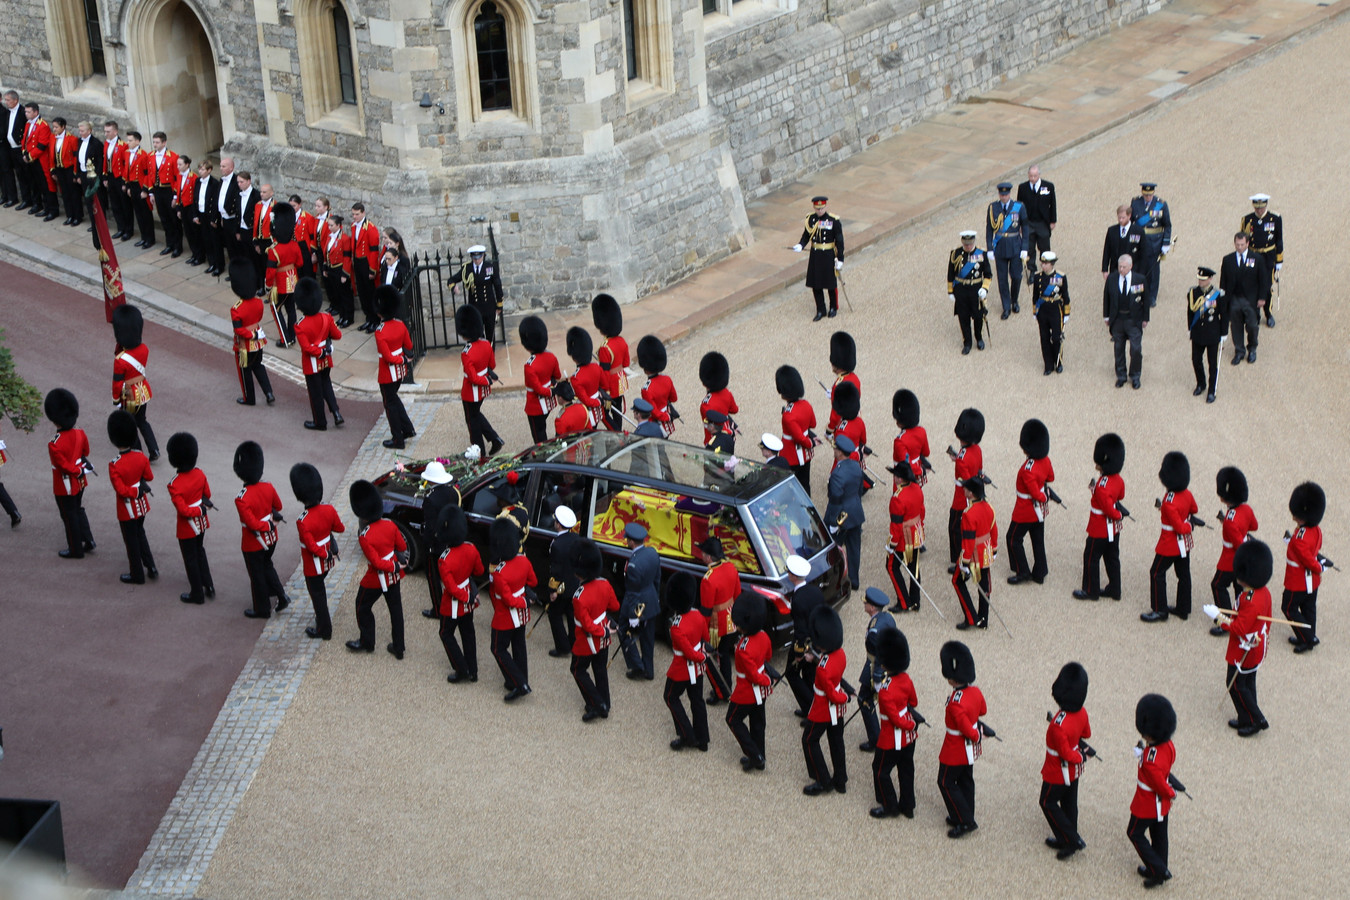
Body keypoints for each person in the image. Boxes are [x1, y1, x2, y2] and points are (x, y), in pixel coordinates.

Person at [1204, 540, 1273, 736]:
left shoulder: (1250, 600)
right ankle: (1246, 718)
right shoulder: (1262, 592)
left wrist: (1218, 619)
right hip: (1255, 646)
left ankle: (1257, 719)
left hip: (1245, 649)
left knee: (1235, 684)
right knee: (1248, 683)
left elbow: (1239, 628)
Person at [346, 479, 407, 658]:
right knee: (396, 611)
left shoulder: (365, 536)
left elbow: (377, 563)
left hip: (377, 578)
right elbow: (402, 546)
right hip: (394, 576)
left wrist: (392, 565)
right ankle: (399, 647)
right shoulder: (390, 524)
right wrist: (395, 564)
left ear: (363, 515)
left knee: (362, 606)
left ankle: (367, 642)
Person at [1042, 662, 1092, 859]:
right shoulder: (1082, 712)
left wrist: (1080, 756)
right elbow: (1086, 733)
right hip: (1074, 771)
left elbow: (1065, 753)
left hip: (1058, 770)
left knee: (1047, 802)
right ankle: (1065, 839)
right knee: (1069, 804)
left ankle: (1072, 838)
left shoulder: (1058, 725)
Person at [1128, 693, 1178, 889]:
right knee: (1159, 835)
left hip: (1148, 802)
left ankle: (1159, 870)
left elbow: (1158, 782)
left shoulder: (1150, 759)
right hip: (1162, 805)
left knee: (1134, 833)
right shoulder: (1169, 746)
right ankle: (1156, 867)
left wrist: (1171, 792)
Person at [290, 462, 344, 640]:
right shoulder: (328, 509)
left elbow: (312, 547)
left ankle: (324, 630)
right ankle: (322, 621)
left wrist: (324, 553)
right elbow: (340, 528)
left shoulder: (302, 521)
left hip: (313, 567)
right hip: (327, 562)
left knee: (318, 597)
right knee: (319, 593)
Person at [233, 441, 287, 619]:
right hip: (272, 539)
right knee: (267, 565)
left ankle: (261, 609)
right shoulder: (268, 486)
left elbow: (253, 525)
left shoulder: (242, 498)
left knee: (256, 576)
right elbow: (278, 506)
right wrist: (271, 523)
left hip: (253, 542)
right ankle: (281, 596)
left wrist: (267, 525)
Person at [938, 640, 986, 837]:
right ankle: (964, 814)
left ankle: (965, 820)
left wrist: (976, 735)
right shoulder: (975, 691)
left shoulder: (955, 702)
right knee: (966, 781)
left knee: (945, 782)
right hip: (968, 751)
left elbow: (966, 729)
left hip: (955, 748)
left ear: (953, 679)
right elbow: (982, 710)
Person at [1142, 451, 1197, 623]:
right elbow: (1193, 509)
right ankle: (1183, 608)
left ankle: (1160, 610)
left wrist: (1189, 525)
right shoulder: (1187, 494)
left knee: (1156, 572)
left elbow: (1180, 527)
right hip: (1184, 546)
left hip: (1170, 544)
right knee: (1183, 575)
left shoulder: (1169, 500)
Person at [802, 605, 850, 796]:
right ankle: (840, 779)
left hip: (823, 708)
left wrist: (844, 697)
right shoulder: (840, 654)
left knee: (809, 740)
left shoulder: (823, 667)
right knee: (836, 741)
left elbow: (831, 693)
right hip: (836, 711)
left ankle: (823, 781)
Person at [870, 627, 917, 819]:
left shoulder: (886, 690)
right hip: (909, 737)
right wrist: (911, 723)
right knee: (906, 770)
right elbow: (913, 702)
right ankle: (908, 806)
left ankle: (890, 805)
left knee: (880, 770)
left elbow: (895, 719)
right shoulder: (906, 679)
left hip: (891, 737)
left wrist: (907, 724)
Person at [106, 410, 157, 585]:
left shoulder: (114, 465)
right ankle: (151, 566)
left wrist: (134, 491)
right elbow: (149, 477)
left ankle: (137, 574)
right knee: (140, 533)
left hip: (127, 508)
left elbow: (120, 490)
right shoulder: (141, 457)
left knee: (131, 541)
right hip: (142, 505)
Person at [570, 539, 618, 720]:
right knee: (599, 669)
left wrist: (603, 631)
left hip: (588, 639)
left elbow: (587, 624)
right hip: (603, 635)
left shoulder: (579, 597)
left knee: (577, 670)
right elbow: (614, 605)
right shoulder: (605, 583)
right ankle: (605, 701)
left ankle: (598, 704)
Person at [488, 517, 536, 701]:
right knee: (518, 646)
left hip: (505, 616)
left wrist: (521, 601)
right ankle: (519, 678)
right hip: (521, 615)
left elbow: (507, 599)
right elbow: (533, 581)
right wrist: (523, 595)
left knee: (498, 648)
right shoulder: (524, 561)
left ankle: (519, 683)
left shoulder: (499, 572)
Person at [1075, 433, 1126, 601]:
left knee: (1091, 557)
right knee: (1112, 558)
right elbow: (1121, 496)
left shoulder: (1102, 486)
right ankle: (1115, 589)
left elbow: (1107, 509)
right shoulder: (1118, 480)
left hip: (1100, 528)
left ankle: (1091, 590)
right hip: (1113, 530)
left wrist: (1117, 514)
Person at [45, 388, 94, 558]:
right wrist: (80, 470)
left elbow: (63, 466)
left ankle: (75, 549)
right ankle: (88, 540)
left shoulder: (55, 444)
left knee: (68, 515)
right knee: (77, 509)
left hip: (65, 484)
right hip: (80, 482)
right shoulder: (80, 433)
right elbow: (85, 451)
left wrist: (76, 470)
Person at [436, 505, 483, 683]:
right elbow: (478, 571)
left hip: (454, 604)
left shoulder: (444, 559)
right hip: (468, 600)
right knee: (468, 633)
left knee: (445, 633)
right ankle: (473, 670)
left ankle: (461, 668)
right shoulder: (471, 548)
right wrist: (470, 596)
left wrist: (466, 597)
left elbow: (450, 588)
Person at [726, 592, 773, 771]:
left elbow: (753, 675)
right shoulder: (764, 636)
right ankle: (759, 754)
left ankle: (755, 755)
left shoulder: (742, 649)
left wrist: (766, 680)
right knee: (758, 723)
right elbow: (767, 657)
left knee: (732, 719)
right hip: (760, 692)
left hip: (747, 690)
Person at [166, 432, 214, 604]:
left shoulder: (174, 484)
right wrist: (201, 509)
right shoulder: (200, 474)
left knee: (191, 559)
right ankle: (208, 585)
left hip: (187, 528)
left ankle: (197, 593)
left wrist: (197, 510)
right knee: (200, 551)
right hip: (201, 524)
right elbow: (207, 494)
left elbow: (183, 510)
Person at [664, 572, 709, 751]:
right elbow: (705, 638)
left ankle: (687, 735)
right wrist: (703, 657)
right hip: (698, 669)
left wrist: (701, 657)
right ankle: (703, 739)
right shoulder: (698, 615)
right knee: (697, 700)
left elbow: (688, 653)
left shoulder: (676, 626)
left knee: (670, 696)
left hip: (682, 668)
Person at [1211, 466, 1258, 636]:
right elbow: (1254, 526)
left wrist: (1230, 526)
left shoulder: (1230, 520)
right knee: (1239, 589)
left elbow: (1238, 543)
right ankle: (1241, 618)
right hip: (1241, 560)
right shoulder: (1247, 509)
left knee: (1218, 585)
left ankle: (1225, 622)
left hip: (1230, 559)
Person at [1007, 418, 1053, 585]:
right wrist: (1045, 493)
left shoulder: (1028, 469)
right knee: (1038, 540)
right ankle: (1040, 572)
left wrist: (1044, 495)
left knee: (1013, 538)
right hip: (1039, 511)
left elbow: (1035, 493)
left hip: (1025, 509)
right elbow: (1051, 477)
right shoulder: (1046, 460)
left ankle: (1023, 571)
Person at [293, 279, 344, 430]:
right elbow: (338, 335)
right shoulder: (326, 317)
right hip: (326, 359)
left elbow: (306, 347)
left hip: (313, 362)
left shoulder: (300, 325)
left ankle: (320, 422)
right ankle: (336, 413)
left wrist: (319, 351)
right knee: (326, 384)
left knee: (315, 393)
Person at [111, 304, 159, 460]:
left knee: (129, 424)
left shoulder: (120, 360)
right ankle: (154, 449)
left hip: (129, 395)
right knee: (142, 421)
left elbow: (117, 383)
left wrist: (116, 399)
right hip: (143, 391)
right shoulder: (144, 349)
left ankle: (138, 452)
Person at [1283, 482, 1326, 653]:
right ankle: (1307, 636)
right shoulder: (1316, 530)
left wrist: (1318, 567)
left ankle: (1308, 637)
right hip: (1312, 581)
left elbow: (1307, 559)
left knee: (1288, 607)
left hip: (1298, 580)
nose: (1294, 518)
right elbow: (1315, 548)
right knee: (1309, 608)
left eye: (1297, 516)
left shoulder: (1300, 536)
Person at [456, 305, 503, 457]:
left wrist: (487, 379)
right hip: (483, 391)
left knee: (472, 422)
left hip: (471, 392)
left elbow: (473, 378)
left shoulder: (466, 353)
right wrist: (488, 377)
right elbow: (492, 365)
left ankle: (480, 454)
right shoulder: (486, 344)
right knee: (475, 414)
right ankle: (494, 438)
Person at [416, 461, 461, 618]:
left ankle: (438, 609)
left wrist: (427, 546)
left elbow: (431, 527)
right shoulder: (453, 492)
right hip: (452, 540)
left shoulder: (430, 499)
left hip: (436, 545)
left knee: (433, 577)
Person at [697, 536, 740, 704]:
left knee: (714, 659)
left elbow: (706, 611)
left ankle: (721, 691)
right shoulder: (731, 567)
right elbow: (737, 595)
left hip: (717, 625)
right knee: (724, 657)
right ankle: (727, 687)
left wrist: (702, 634)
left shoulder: (709, 579)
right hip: (732, 619)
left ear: (708, 557)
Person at [229, 259, 275, 406]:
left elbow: (238, 330)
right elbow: (258, 318)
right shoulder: (258, 302)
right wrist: (255, 334)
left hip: (245, 344)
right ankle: (268, 392)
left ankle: (249, 398)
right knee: (258, 365)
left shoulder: (236, 309)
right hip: (258, 340)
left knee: (245, 370)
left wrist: (251, 335)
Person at [1219, 231, 1269, 366]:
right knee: (1235, 326)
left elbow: (1263, 280)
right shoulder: (1228, 260)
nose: (1239, 247)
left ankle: (1252, 348)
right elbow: (1223, 282)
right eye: (1237, 244)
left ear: (1247, 243)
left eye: (1242, 244)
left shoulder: (1257, 259)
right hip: (1234, 298)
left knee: (1253, 326)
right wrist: (1223, 300)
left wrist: (1262, 298)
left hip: (1251, 300)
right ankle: (1239, 351)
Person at [953, 477, 997, 631]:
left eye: (966, 489)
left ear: (971, 493)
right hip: (985, 551)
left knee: (957, 581)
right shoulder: (989, 507)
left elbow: (969, 541)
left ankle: (971, 617)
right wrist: (994, 549)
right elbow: (994, 530)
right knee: (984, 586)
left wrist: (964, 561)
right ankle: (983, 619)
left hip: (973, 555)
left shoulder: (968, 513)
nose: (963, 490)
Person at [376, 286, 416, 450]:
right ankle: (407, 429)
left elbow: (387, 357)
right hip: (400, 373)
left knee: (390, 404)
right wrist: (404, 358)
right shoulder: (400, 325)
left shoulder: (380, 332)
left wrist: (400, 359)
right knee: (394, 398)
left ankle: (398, 439)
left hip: (387, 374)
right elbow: (409, 345)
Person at [792, 196, 845, 321]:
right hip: (816, 255)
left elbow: (840, 241)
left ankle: (833, 307)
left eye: (821, 208)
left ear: (825, 207)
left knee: (830, 284)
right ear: (814, 208)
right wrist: (801, 244)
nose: (819, 211)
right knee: (816, 285)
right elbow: (806, 235)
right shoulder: (810, 219)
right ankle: (820, 309)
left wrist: (840, 259)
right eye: (817, 208)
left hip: (828, 254)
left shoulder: (834, 220)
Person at [857, 588, 896, 752]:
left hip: (876, 667)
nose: (865, 605)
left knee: (864, 699)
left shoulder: (874, 630)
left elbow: (878, 655)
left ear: (872, 607)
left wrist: (878, 677)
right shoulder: (887, 618)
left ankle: (875, 739)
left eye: (866, 603)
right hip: (887, 664)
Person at [620, 521, 661, 679]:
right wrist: (655, 598)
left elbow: (633, 593)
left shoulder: (634, 565)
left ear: (631, 542)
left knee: (623, 630)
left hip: (638, 604)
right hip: (650, 599)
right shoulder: (652, 553)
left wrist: (634, 616)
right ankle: (648, 670)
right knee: (648, 637)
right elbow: (657, 579)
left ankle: (637, 666)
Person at [783, 556, 823, 716]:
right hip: (816, 640)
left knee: (791, 674)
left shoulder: (798, 599)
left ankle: (811, 710)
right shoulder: (815, 590)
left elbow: (800, 629)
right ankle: (812, 708)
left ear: (792, 576)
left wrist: (799, 652)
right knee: (809, 675)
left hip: (804, 643)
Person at [947, 408, 984, 572]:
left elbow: (966, 481)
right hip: (976, 494)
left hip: (962, 498)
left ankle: (958, 561)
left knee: (955, 528)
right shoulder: (977, 450)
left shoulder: (962, 458)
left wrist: (958, 460)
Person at [826, 435, 865, 591]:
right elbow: (859, 490)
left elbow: (835, 500)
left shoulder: (837, 474)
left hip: (842, 516)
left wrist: (834, 523)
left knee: (833, 548)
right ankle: (854, 580)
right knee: (854, 548)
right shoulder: (856, 466)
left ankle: (834, 578)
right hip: (855, 512)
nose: (834, 451)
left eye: (836, 449)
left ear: (840, 453)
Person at [1103, 254, 1149, 389]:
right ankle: (1121, 376)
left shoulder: (1140, 279)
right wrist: (1106, 316)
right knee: (1118, 348)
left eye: (1124, 267)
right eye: (1119, 267)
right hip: (1117, 319)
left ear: (1131, 266)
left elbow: (1145, 300)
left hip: (1133, 320)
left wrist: (1145, 318)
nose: (1121, 269)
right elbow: (1106, 297)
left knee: (1135, 349)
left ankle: (1135, 376)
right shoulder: (1112, 279)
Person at [885, 459, 925, 612]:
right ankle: (915, 601)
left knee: (892, 566)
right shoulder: (916, 488)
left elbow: (896, 526)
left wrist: (892, 545)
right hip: (915, 534)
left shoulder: (898, 498)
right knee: (914, 568)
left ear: (900, 478)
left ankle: (904, 602)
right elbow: (922, 511)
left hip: (903, 538)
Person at [985, 182, 1028, 318]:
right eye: (1002, 195)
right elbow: (989, 229)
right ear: (999, 194)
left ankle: (1014, 300)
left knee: (1016, 276)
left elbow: (1025, 228)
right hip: (1000, 248)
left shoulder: (1019, 207)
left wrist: (1025, 247)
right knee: (1002, 279)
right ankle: (1006, 306)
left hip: (1015, 245)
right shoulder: (993, 208)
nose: (1004, 197)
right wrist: (990, 248)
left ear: (1010, 194)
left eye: (1006, 194)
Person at [1186, 266, 1228, 403]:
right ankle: (1201, 383)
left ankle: (1211, 390)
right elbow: (1190, 312)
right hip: (1198, 333)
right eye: (1199, 279)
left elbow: (1224, 315)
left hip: (1212, 334)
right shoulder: (1193, 293)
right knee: (1196, 360)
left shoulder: (1218, 294)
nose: (1200, 282)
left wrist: (1223, 333)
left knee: (1212, 364)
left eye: (1203, 280)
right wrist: (1190, 329)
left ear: (1210, 279)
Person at [946, 230, 992, 354]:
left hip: (976, 290)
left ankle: (979, 337)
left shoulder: (982, 254)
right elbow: (951, 273)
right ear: (962, 242)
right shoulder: (955, 254)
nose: (968, 246)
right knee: (963, 318)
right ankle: (967, 342)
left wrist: (985, 288)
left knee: (978, 317)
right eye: (966, 244)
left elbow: (988, 274)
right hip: (961, 290)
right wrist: (950, 291)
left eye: (970, 244)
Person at [265, 202, 304, 345]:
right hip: (293, 281)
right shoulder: (294, 245)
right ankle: (292, 336)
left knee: (275, 309)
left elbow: (270, 272)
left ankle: (285, 339)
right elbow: (300, 263)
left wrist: (268, 287)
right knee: (291, 310)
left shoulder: (273, 250)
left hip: (279, 284)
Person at [545, 505, 582, 657]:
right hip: (574, 584)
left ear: (559, 524)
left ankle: (562, 647)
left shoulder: (557, 545)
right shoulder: (576, 538)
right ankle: (573, 643)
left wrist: (553, 591)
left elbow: (556, 570)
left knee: (554, 614)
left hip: (561, 587)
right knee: (571, 615)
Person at [1241, 193, 1282, 328]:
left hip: (1268, 257)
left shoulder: (1275, 218)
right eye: (1257, 207)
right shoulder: (1247, 220)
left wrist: (1279, 259)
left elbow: (1279, 239)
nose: (1259, 210)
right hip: (1253, 256)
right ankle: (1255, 313)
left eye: (1261, 207)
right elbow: (1243, 240)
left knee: (1266, 287)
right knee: (1252, 285)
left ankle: (1268, 313)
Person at [1130, 182, 1172, 309]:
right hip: (1139, 240)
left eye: (1149, 195)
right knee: (1138, 267)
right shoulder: (1135, 202)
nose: (1147, 197)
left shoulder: (1161, 205)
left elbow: (1167, 225)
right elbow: (1132, 222)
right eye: (1145, 195)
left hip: (1155, 242)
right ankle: (1138, 293)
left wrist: (1165, 243)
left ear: (1153, 193)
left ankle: (1152, 296)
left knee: (1153, 270)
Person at [448, 245, 503, 341]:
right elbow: (451, 280)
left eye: (479, 258)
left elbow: (497, 286)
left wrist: (499, 305)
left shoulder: (489, 267)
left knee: (490, 335)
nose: (477, 260)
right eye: (474, 258)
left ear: (483, 256)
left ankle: (490, 354)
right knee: (478, 336)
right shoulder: (467, 268)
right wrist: (454, 287)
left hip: (489, 306)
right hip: (475, 307)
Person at [592, 293, 630, 430]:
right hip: (620, 381)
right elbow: (626, 363)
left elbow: (604, 372)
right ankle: (618, 429)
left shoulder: (605, 347)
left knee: (603, 412)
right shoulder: (622, 341)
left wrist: (604, 389)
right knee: (617, 409)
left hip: (610, 385)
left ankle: (615, 432)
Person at [776, 365, 816, 493]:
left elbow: (798, 437)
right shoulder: (806, 404)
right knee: (805, 485)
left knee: (789, 488)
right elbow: (813, 424)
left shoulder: (788, 415)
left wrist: (811, 443)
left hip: (790, 454)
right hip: (805, 455)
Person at [520, 315, 559, 444]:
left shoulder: (529, 366)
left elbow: (537, 389)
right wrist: (552, 390)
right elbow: (557, 376)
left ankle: (544, 458)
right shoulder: (551, 356)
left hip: (535, 405)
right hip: (549, 403)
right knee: (542, 428)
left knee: (539, 438)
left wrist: (551, 392)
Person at [1032, 251, 1070, 375]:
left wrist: (1066, 313)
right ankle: (1048, 364)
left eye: (1046, 263)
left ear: (1052, 264)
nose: (1043, 266)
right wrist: (1034, 311)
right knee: (1044, 338)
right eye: (1042, 263)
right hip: (1042, 310)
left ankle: (1058, 362)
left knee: (1056, 337)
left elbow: (1065, 296)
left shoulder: (1060, 277)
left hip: (1056, 310)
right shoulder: (1037, 277)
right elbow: (1035, 296)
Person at [21, 103, 58, 221]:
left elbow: (42, 145)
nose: (26, 114)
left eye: (28, 112)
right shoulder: (28, 124)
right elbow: (25, 139)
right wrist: (24, 152)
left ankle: (52, 209)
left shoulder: (43, 126)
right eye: (26, 112)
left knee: (46, 185)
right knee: (36, 183)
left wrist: (30, 156)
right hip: (31, 159)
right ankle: (41, 205)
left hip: (40, 160)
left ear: (36, 112)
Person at [148, 132, 181, 257]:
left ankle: (178, 246)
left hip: (168, 190)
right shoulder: (150, 156)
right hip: (158, 191)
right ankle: (169, 244)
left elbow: (176, 177)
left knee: (173, 220)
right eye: (154, 142)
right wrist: (151, 192)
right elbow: (151, 175)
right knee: (164, 219)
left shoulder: (173, 156)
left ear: (164, 143)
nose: (155, 145)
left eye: (157, 142)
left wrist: (175, 196)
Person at [1017, 165, 1056, 271]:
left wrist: (1053, 221)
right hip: (1028, 222)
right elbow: (1019, 206)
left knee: (1044, 247)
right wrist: (1019, 223)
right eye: (1031, 176)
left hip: (1042, 222)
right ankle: (1032, 270)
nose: (1033, 178)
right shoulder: (1022, 187)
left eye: (1035, 176)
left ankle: (1046, 267)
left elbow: (1053, 204)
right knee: (1029, 248)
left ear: (1039, 175)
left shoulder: (1048, 186)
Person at [637, 335, 677, 437]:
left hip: (656, 423)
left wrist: (666, 417)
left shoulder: (646, 389)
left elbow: (653, 412)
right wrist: (668, 415)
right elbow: (674, 398)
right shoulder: (667, 379)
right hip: (666, 421)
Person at [350, 203, 380, 331]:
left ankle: (375, 319)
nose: (355, 217)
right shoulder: (353, 226)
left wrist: (372, 269)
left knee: (370, 293)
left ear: (363, 213)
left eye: (357, 214)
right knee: (362, 292)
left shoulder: (371, 228)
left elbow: (374, 251)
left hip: (367, 263)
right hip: (357, 262)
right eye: (353, 214)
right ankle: (368, 317)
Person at [566, 327, 604, 427]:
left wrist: (598, 401)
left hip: (585, 414)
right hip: (597, 412)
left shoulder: (576, 378)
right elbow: (604, 385)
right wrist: (599, 399)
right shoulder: (597, 367)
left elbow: (585, 400)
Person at [824, 331, 859, 439]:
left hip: (842, 425)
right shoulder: (854, 378)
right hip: (856, 421)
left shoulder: (838, 384)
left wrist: (829, 429)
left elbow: (836, 413)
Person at [698, 351, 737, 447]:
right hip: (728, 435)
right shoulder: (727, 393)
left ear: (704, 383)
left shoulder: (705, 404)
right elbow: (734, 410)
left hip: (713, 440)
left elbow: (709, 426)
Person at [320, 214, 354, 326]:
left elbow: (347, 257)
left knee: (345, 295)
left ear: (338, 226)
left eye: (331, 225)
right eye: (328, 225)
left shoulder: (344, 239)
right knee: (337, 294)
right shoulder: (330, 237)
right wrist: (325, 267)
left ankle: (348, 317)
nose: (329, 227)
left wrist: (345, 274)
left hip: (340, 269)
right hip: (331, 269)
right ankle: (342, 316)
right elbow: (326, 253)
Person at [101, 121, 133, 240]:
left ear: (115, 131)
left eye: (108, 131)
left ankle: (128, 230)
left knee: (125, 205)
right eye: (105, 131)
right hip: (110, 177)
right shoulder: (106, 143)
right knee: (115, 205)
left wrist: (125, 182)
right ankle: (121, 228)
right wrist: (104, 176)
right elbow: (105, 160)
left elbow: (126, 165)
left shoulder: (123, 145)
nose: (106, 134)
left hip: (119, 178)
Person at [891, 388, 929, 486]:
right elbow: (926, 452)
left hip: (903, 476)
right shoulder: (922, 431)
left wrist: (919, 471)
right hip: (918, 470)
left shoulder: (900, 441)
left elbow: (906, 465)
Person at [188, 160, 219, 269]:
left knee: (214, 240)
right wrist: (195, 215)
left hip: (210, 215)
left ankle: (217, 264)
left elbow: (215, 203)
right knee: (205, 239)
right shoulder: (197, 181)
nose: (200, 171)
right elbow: (195, 198)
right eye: (199, 169)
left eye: (202, 169)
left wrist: (214, 219)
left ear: (209, 170)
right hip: (201, 214)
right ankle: (211, 262)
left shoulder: (214, 183)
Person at [1101, 204, 1144, 279]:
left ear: (1129, 216)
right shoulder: (1112, 231)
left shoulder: (1138, 231)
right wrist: (1105, 270)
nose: (1120, 220)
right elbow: (1107, 251)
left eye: (1123, 218)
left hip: (1133, 270)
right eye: (1119, 217)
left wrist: (1141, 272)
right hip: (1115, 269)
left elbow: (1143, 252)